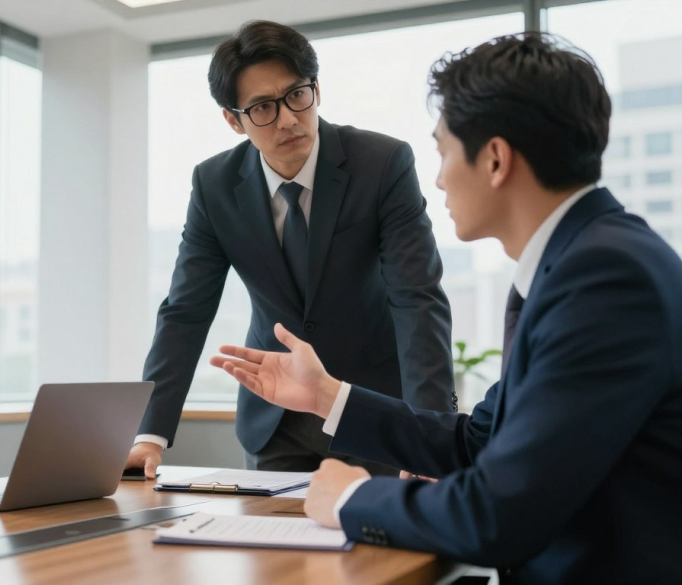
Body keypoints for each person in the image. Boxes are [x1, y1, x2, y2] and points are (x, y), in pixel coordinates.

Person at [212, 32, 682, 584]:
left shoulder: (604, 279)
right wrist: (325, 395)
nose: (437, 179)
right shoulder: (584, 261)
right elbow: (479, 440)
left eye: (443, 150)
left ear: (496, 159)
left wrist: (354, 500)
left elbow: (499, 512)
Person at [127, 20, 454, 478]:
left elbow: (417, 299)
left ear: (316, 89)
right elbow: (185, 310)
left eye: (297, 95)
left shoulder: (381, 164)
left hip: (373, 407)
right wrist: (149, 434)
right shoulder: (214, 185)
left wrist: (430, 435)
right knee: (271, 548)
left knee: (383, 547)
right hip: (274, 418)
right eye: (262, 107)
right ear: (232, 119)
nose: (287, 118)